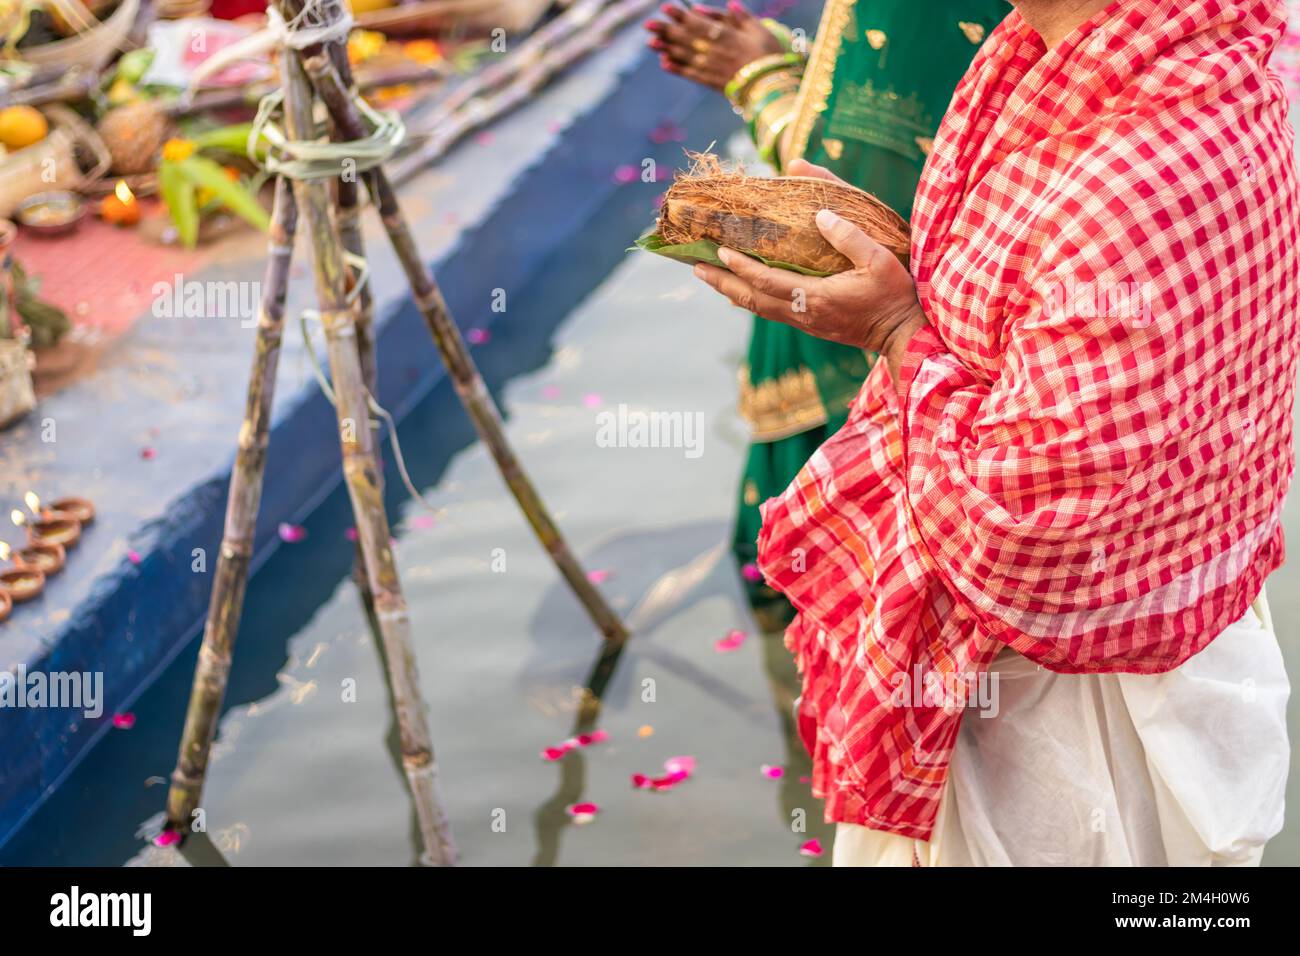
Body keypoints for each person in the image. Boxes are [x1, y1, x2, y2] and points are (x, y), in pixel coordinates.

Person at [692, 0, 1296, 865]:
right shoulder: (1096, 57)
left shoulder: (1132, 167)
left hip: (1070, 711)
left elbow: (1016, 529)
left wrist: (893, 330)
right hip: (1128, 629)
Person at [646, 0, 1009, 618]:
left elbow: (853, 192)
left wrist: (760, 78)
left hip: (913, 362)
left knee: (857, 595)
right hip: (992, 354)